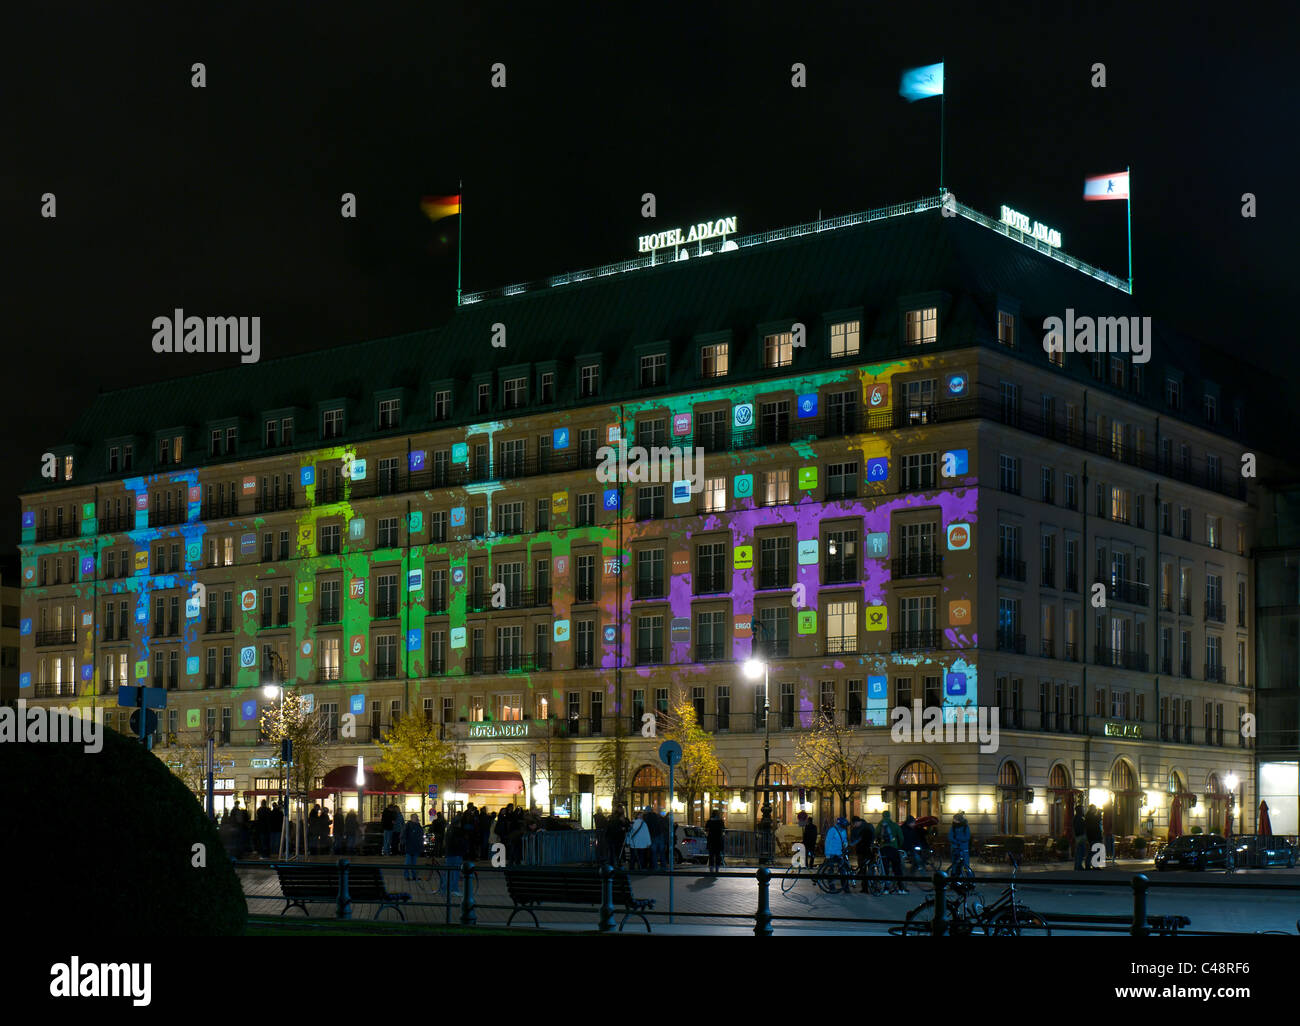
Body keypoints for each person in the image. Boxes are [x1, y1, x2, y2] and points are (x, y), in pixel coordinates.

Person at [877, 810, 907, 894]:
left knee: (885, 869)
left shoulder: (880, 825)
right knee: (897, 868)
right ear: (890, 816)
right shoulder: (894, 825)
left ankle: (886, 889)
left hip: (883, 849)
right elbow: (901, 837)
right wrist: (898, 845)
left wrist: (880, 842)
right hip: (893, 848)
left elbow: (876, 834)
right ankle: (901, 888)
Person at [823, 817, 853, 892]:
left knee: (843, 870)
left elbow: (844, 839)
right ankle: (832, 886)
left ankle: (845, 887)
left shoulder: (843, 831)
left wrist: (845, 843)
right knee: (831, 870)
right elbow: (827, 842)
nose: (845, 826)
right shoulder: (832, 830)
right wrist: (827, 853)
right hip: (831, 853)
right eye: (844, 825)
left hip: (839, 853)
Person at [444, 812, 468, 897]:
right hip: (456, 854)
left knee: (448, 873)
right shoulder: (458, 832)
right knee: (455, 873)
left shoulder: (449, 830)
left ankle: (444, 890)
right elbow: (459, 843)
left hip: (449, 854)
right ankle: (454, 889)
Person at [402, 815, 425, 881]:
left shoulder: (418, 826)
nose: (417, 818)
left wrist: (421, 847)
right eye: (415, 817)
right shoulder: (408, 826)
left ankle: (413, 876)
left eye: (417, 817)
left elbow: (420, 837)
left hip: (415, 847)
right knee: (408, 863)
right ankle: (407, 876)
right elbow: (404, 835)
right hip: (410, 847)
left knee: (413, 863)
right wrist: (403, 843)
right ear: (412, 818)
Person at [646, 806, 668, 870]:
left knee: (654, 852)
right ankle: (663, 866)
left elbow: (648, 828)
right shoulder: (657, 816)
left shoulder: (647, 817)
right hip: (660, 835)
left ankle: (655, 867)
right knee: (662, 852)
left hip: (653, 836)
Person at [705, 809, 725, 873]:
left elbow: (706, 829)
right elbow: (723, 829)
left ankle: (711, 868)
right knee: (717, 855)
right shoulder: (720, 821)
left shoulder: (709, 821)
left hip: (711, 840)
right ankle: (717, 868)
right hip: (718, 840)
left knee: (711, 855)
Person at [1084, 804, 1103, 870]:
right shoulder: (1090, 816)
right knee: (1095, 851)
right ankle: (1093, 865)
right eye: (1094, 808)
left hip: (1092, 836)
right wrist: (1099, 813)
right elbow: (1096, 822)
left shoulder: (1088, 816)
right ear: (1092, 809)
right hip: (1094, 836)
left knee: (1093, 851)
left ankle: (1090, 865)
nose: (1095, 810)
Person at [1073, 806, 1088, 870]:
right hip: (1080, 837)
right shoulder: (1079, 818)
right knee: (1080, 852)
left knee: (1079, 852)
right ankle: (1078, 866)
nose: (1083, 811)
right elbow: (1080, 828)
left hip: (1078, 836)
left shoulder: (1076, 818)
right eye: (1082, 809)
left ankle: (1078, 865)